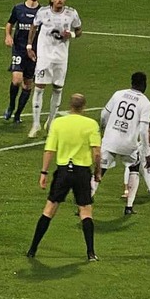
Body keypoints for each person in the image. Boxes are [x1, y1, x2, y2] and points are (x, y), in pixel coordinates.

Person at [26, 93, 102, 262]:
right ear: (84, 106)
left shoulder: (58, 123)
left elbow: (49, 150)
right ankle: (90, 253)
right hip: (82, 171)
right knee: (85, 211)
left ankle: (32, 249)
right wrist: (97, 172)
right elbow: (96, 152)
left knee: (49, 210)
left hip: (63, 171)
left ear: (70, 106)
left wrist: (43, 173)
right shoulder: (91, 124)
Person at [26, 0, 82, 137]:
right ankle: (36, 124)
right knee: (39, 87)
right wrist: (29, 46)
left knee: (58, 88)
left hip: (61, 58)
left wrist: (71, 34)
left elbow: (79, 31)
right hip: (44, 58)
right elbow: (33, 27)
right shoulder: (43, 12)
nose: (59, 0)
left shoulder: (71, 14)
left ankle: (51, 121)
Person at [96, 72, 150, 215]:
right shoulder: (145, 103)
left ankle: (84, 205)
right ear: (144, 84)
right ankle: (128, 207)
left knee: (99, 172)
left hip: (110, 141)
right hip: (128, 145)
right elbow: (142, 131)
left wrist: (103, 130)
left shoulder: (118, 94)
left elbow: (104, 114)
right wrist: (146, 154)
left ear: (132, 82)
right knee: (134, 169)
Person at [3, 0, 41, 124]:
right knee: (16, 80)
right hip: (19, 49)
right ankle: (11, 105)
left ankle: (18, 114)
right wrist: (8, 35)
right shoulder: (18, 9)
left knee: (27, 84)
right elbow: (10, 23)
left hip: (34, 53)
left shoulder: (42, 12)